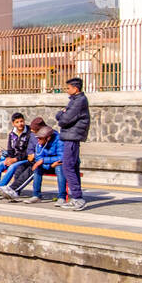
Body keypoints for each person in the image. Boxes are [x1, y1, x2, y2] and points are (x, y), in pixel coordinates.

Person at [3, 124, 65, 204]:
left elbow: (62, 157)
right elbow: (38, 158)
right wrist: (48, 164)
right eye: (37, 138)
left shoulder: (59, 141)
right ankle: (36, 195)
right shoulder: (39, 143)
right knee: (37, 168)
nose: (38, 141)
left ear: (48, 138)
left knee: (59, 168)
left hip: (59, 164)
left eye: (40, 139)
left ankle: (61, 197)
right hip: (49, 164)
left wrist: (43, 161)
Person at [55, 77, 91, 210]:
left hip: (72, 137)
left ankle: (77, 198)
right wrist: (61, 114)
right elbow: (62, 115)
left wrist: (61, 115)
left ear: (75, 89)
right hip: (70, 136)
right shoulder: (75, 100)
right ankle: (76, 197)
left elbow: (64, 119)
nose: (66, 90)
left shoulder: (79, 101)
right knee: (72, 167)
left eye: (68, 88)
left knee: (68, 167)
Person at [0, 112, 31, 199]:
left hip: (25, 159)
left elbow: (28, 151)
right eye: (17, 122)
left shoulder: (29, 133)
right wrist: (8, 158)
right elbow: (10, 148)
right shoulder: (12, 133)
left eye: (21, 121)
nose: (20, 124)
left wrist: (15, 159)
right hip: (13, 158)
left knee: (12, 167)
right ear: (13, 123)